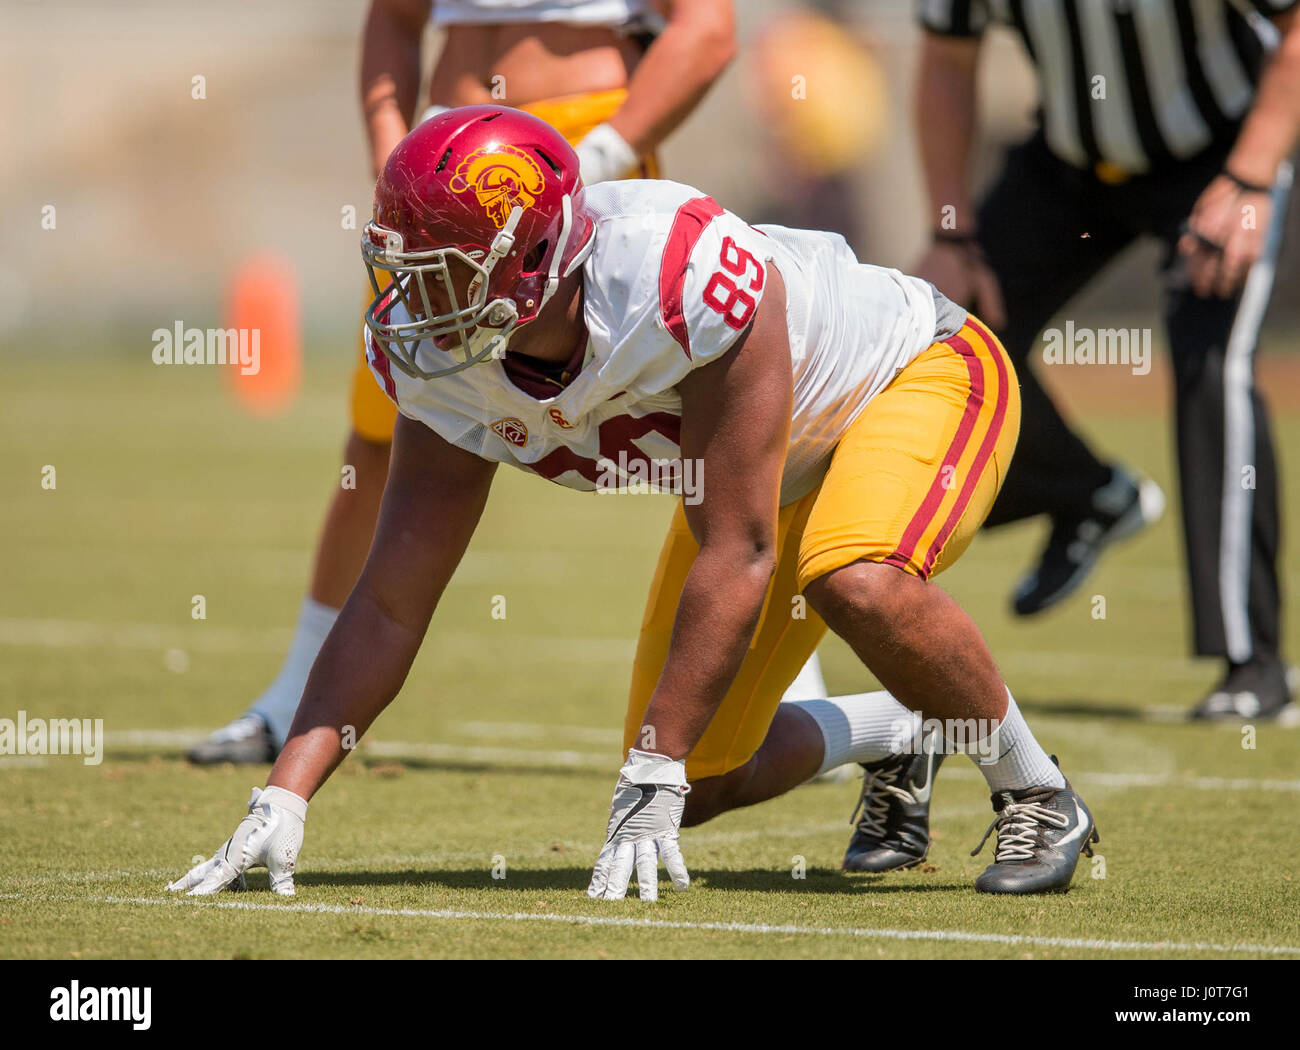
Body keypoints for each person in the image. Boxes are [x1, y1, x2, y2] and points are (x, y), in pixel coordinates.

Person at [168, 107, 1098, 901]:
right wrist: (284, 795)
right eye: (407, 266)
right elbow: (389, 600)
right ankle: (903, 725)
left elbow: (735, 550)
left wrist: (647, 763)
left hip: (911, 375)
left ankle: (1037, 791)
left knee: (856, 579)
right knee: (693, 781)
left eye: (446, 268)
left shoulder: (678, 274)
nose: (417, 297)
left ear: (534, 255)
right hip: (772, 469)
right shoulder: (443, 367)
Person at [188, 0, 745, 764]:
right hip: (447, 157)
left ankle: (787, 687)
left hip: (583, 142)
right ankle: (296, 696)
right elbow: (394, 19)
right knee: (385, 429)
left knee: (689, 428)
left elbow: (707, 28)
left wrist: (607, 152)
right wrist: (395, 162)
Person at [912, 0, 1300, 719]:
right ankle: (1087, 493)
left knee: (1213, 361)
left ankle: (1254, 664)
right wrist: (951, 229)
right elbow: (946, 60)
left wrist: (1249, 179)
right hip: (1069, 162)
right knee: (947, 337)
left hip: (1220, 153)